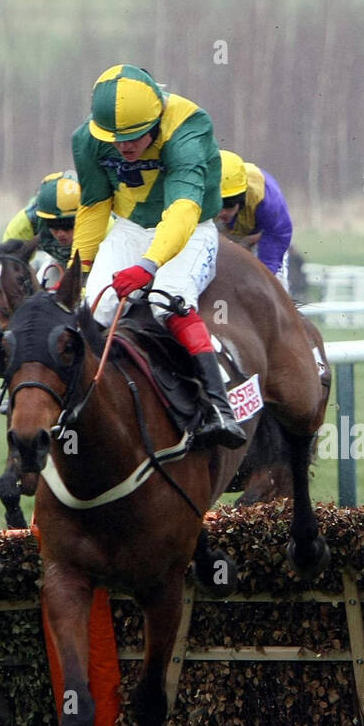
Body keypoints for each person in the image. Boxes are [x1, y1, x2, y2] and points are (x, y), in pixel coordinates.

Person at [70, 64, 244, 449]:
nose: (123, 147)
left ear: (156, 118)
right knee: (93, 308)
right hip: (130, 228)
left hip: (191, 226)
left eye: (132, 137)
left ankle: (218, 408)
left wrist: (148, 266)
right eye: (115, 139)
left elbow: (182, 210)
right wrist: (79, 272)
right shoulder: (89, 138)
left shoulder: (189, 127)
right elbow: (95, 205)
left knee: (168, 300)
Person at [217, 149, 293, 292]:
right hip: (221, 235)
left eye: (229, 205)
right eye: (219, 205)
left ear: (241, 199)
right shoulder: (197, 192)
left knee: (272, 289)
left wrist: (264, 281)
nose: (223, 212)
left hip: (262, 236)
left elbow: (276, 242)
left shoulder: (268, 201)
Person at [1, 171, 81, 275]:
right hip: (59, 261)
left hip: (96, 261)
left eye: (67, 225)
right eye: (53, 225)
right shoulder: (26, 221)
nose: (61, 233)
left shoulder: (100, 221)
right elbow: (8, 266)